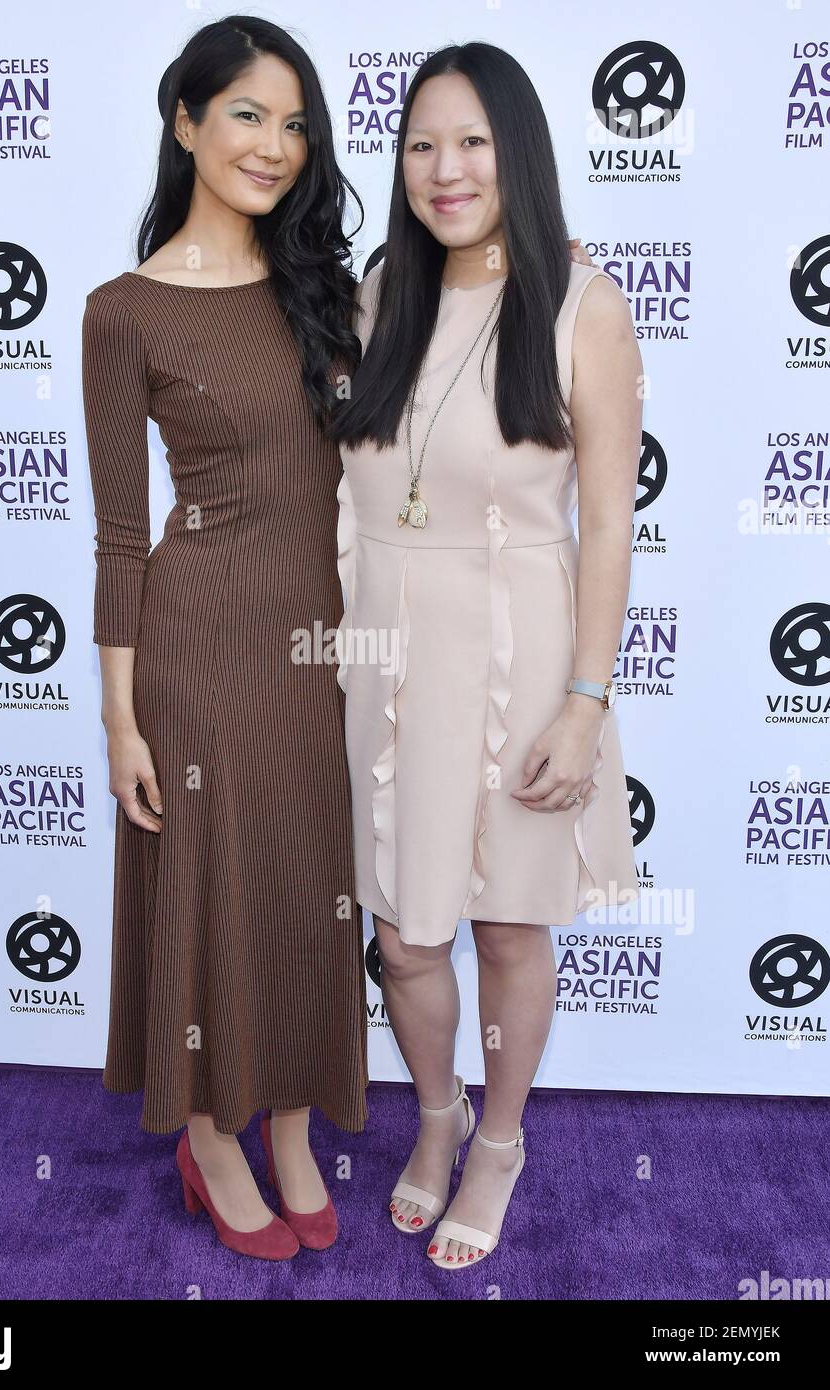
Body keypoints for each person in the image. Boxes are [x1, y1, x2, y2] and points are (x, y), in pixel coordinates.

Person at [328, 42, 642, 1270]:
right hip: (383, 659)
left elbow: (609, 519)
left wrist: (583, 704)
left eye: (471, 143)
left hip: (522, 657)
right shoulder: (373, 298)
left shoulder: (580, 302)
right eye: (421, 145)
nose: (445, 170)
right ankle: (438, 1112)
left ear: (517, 151)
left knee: (508, 927)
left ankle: (499, 1144)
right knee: (404, 934)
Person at [81, 15, 368, 1261]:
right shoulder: (120, 311)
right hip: (196, 653)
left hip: (320, 656)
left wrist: (541, 266)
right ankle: (208, 1138)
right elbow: (119, 535)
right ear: (185, 121)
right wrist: (119, 714)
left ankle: (295, 1130)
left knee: (308, 894)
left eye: (294, 121)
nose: (274, 144)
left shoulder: (333, 289)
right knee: (214, 891)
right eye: (246, 113)